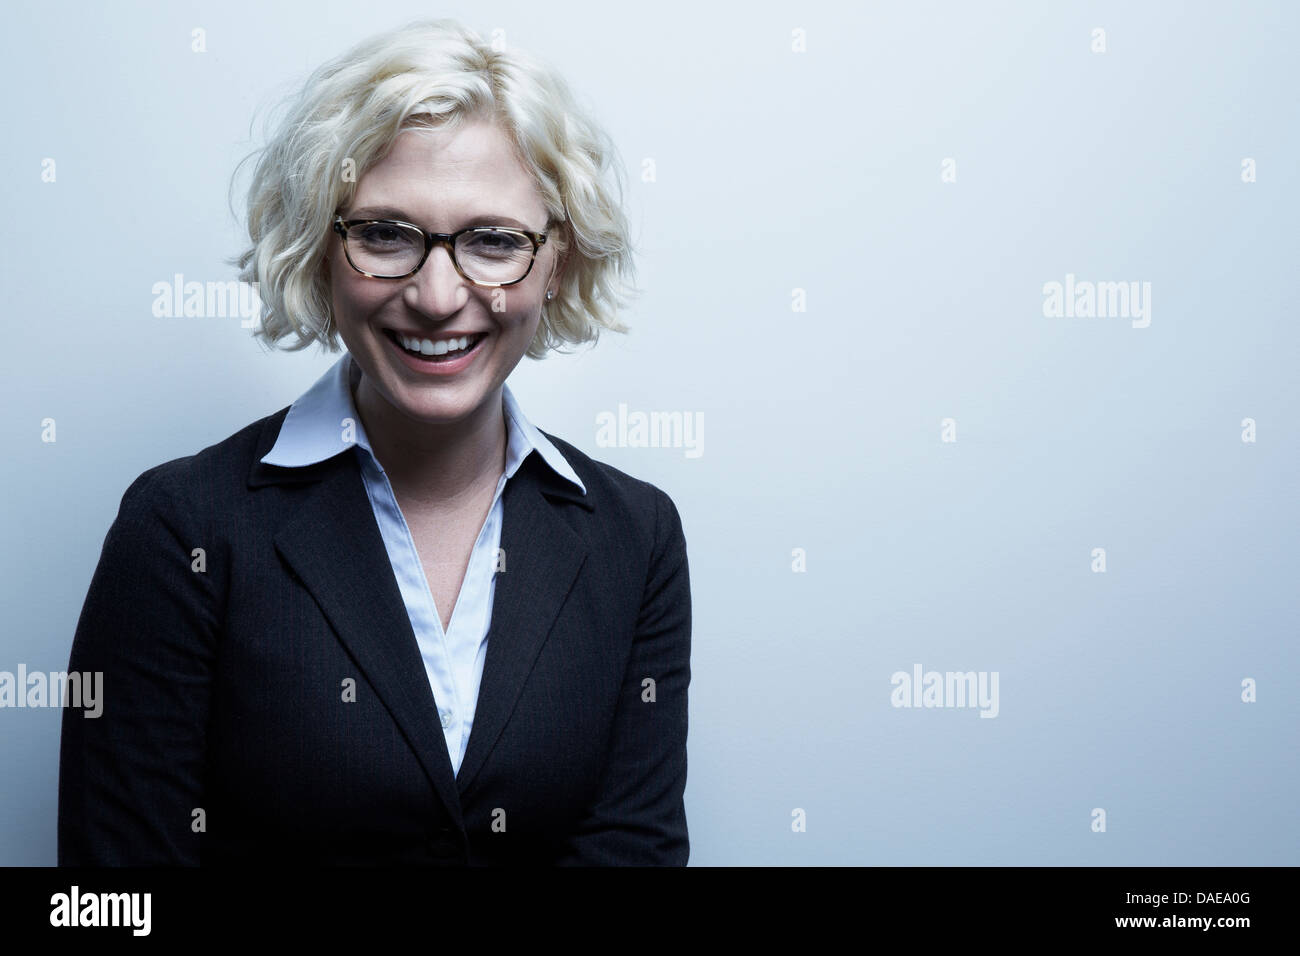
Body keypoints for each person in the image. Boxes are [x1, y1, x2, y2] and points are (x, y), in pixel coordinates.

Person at [57, 18, 691, 866]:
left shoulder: (635, 536)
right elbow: (114, 895)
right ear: (321, 248)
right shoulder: (183, 529)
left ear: (555, 265)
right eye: (386, 234)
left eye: (493, 241)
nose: (437, 296)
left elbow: (632, 853)